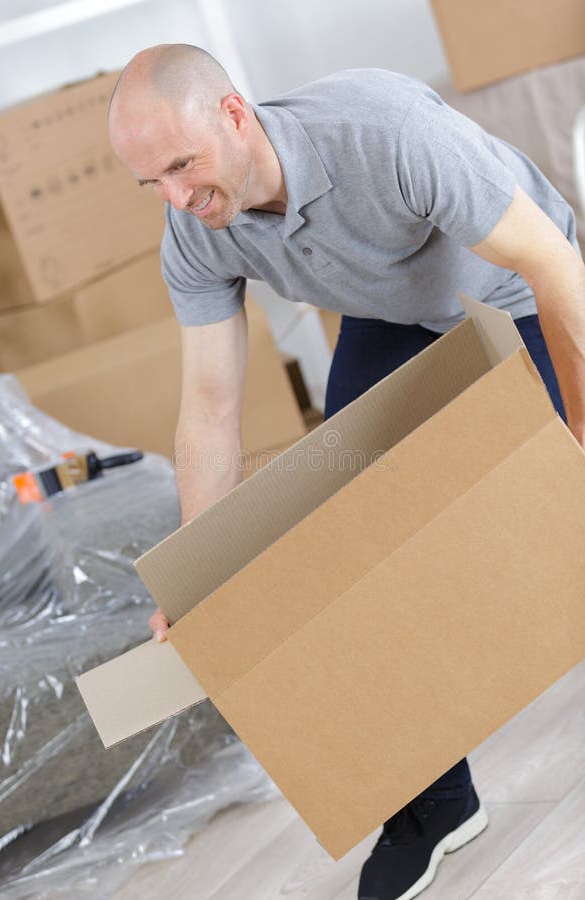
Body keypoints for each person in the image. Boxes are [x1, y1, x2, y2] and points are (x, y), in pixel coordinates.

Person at [108, 44, 585, 900]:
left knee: (560, 498)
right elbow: (211, 407)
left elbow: (552, 262)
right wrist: (198, 583)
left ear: (234, 113)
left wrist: (581, 428)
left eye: (182, 165)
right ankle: (435, 804)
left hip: (517, 290)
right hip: (396, 317)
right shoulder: (196, 227)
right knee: (343, 540)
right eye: (153, 184)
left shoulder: (386, 134)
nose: (177, 198)